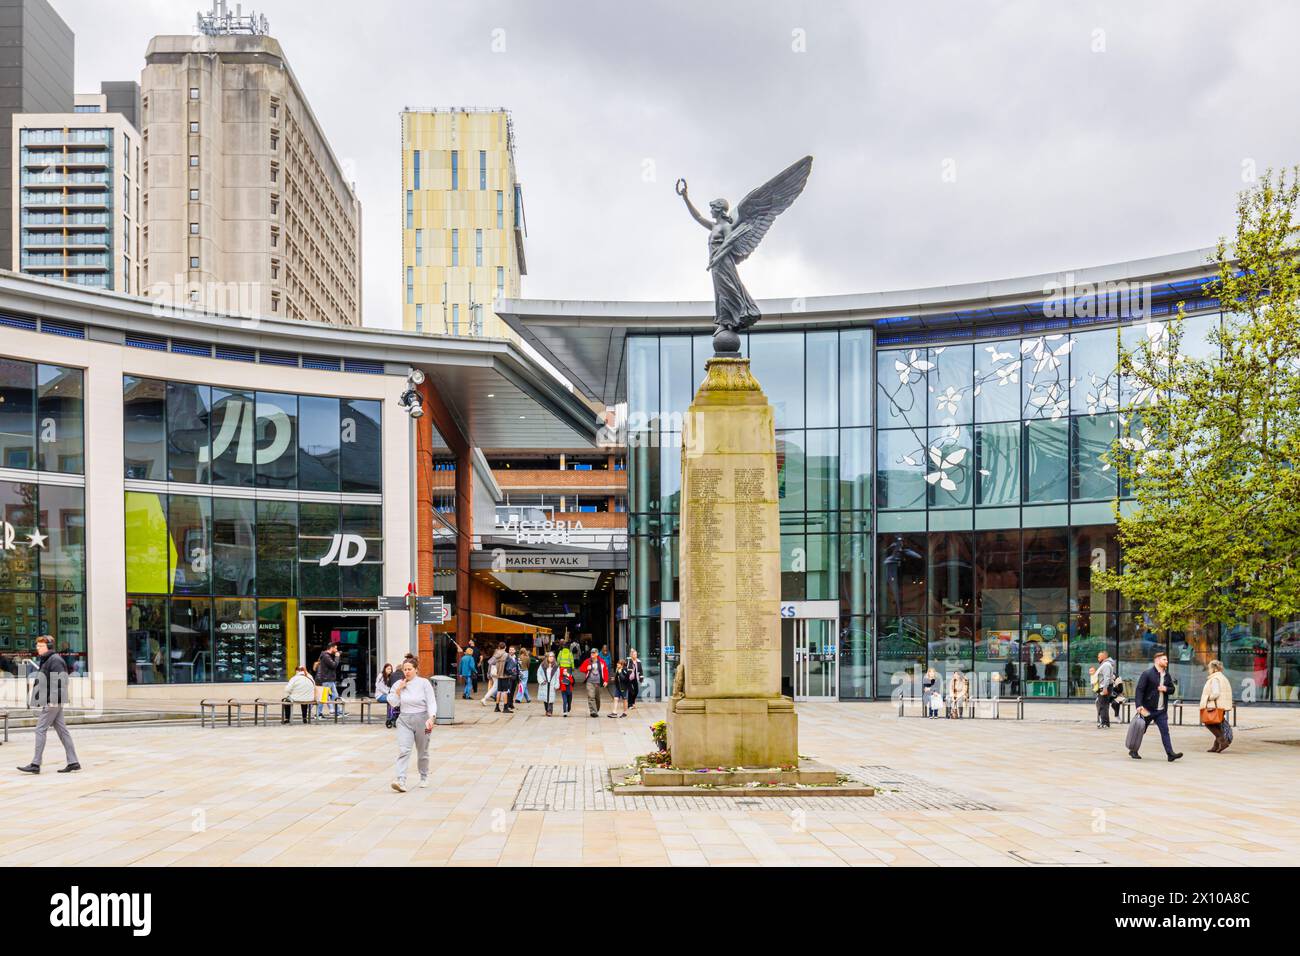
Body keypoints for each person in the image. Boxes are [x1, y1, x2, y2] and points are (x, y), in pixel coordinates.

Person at [16, 636, 80, 774]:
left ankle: (35, 764)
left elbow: (61, 681)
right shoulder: (48, 659)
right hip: (54, 700)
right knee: (63, 731)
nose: (37, 648)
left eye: (40, 646)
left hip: (53, 700)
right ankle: (73, 762)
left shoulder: (55, 660)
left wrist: (52, 700)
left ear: (48, 647)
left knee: (40, 729)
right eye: (37, 646)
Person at [387, 659, 436, 792]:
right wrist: (398, 690)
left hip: (423, 720)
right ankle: (400, 780)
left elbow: (431, 701)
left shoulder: (424, 683)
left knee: (423, 751)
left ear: (416, 669)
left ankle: (424, 776)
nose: (407, 672)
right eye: (405, 669)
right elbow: (392, 703)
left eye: (409, 669)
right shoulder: (399, 683)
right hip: (404, 720)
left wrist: (432, 717)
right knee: (404, 750)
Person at [1132, 650, 1183, 762]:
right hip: (1147, 709)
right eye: (1164, 659)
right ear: (1157, 660)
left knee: (1165, 731)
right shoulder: (1147, 674)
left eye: (1167, 659)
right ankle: (1133, 750)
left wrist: (1166, 689)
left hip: (1161, 711)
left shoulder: (1166, 675)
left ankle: (1170, 754)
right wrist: (1139, 705)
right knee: (1141, 730)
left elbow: (1172, 689)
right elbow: (1139, 690)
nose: (1167, 661)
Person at [1199, 659, 1234, 753]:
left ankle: (1223, 741)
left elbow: (1216, 693)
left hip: (1215, 706)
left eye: (1209, 668)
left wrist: (1207, 698)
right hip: (1220, 705)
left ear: (1214, 669)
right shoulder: (1222, 677)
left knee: (1209, 723)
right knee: (1217, 724)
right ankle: (1216, 745)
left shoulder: (1215, 679)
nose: (1208, 670)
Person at [314, 643, 343, 720]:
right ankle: (318, 714)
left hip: (330, 680)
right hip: (327, 680)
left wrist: (337, 655)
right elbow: (334, 665)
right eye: (335, 648)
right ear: (331, 648)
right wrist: (337, 657)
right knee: (323, 697)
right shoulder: (326, 656)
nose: (336, 650)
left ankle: (338, 712)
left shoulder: (326, 656)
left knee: (335, 696)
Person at [578, 648, 609, 717]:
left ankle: (596, 710)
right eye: (591, 653)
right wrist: (587, 668)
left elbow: (605, 672)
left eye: (594, 653)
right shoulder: (587, 661)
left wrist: (606, 681)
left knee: (597, 698)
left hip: (599, 682)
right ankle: (593, 712)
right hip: (590, 682)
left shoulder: (602, 662)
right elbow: (581, 669)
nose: (592, 654)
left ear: (597, 654)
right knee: (591, 696)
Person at [1094, 651, 1117, 729]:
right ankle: (1104, 722)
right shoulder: (1106, 664)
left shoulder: (1106, 665)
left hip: (1105, 687)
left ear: (1103, 657)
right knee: (1103, 705)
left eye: (1099, 657)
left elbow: (1107, 678)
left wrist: (1105, 689)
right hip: (1104, 686)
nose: (1098, 659)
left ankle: (1105, 723)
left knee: (1103, 705)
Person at [536, 652, 561, 716]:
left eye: (552, 656)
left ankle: (550, 711)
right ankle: (547, 710)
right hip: (545, 683)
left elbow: (557, 676)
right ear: (547, 657)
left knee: (551, 698)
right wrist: (541, 681)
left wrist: (557, 684)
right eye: (550, 656)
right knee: (545, 698)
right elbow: (539, 674)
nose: (551, 658)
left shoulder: (556, 666)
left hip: (552, 684)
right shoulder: (542, 665)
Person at [375, 663, 397, 728]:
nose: (389, 670)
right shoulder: (381, 676)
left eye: (390, 669)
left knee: (392, 701)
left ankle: (391, 718)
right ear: (385, 669)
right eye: (388, 669)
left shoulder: (390, 676)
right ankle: (391, 718)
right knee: (391, 699)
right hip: (380, 695)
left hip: (387, 695)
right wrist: (389, 693)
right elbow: (379, 687)